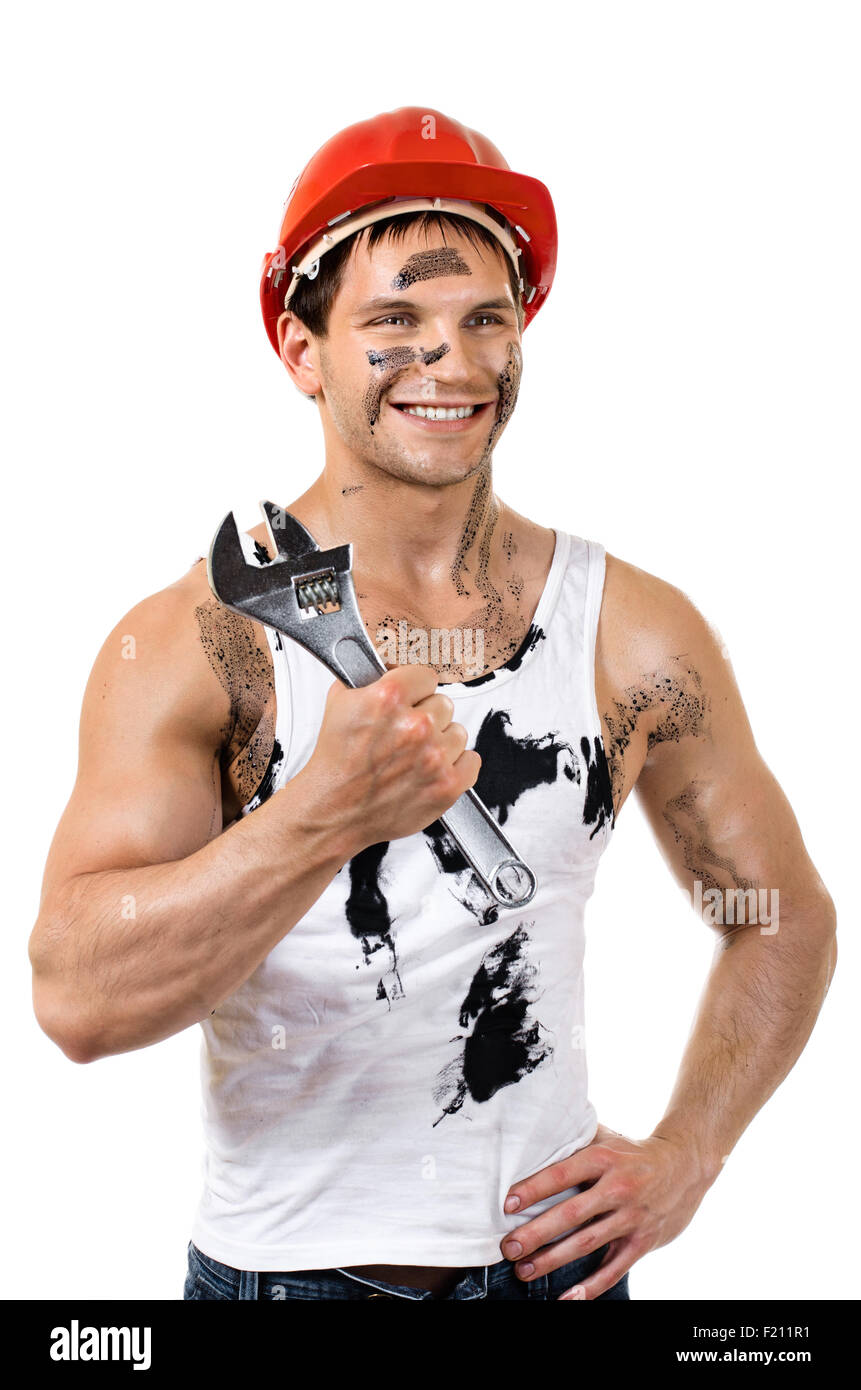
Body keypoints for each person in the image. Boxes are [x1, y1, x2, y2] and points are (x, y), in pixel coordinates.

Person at [28, 107, 837, 1302]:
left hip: (556, 1272)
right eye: (394, 321)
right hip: (282, 1278)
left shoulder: (634, 631)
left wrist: (688, 1156)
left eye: (484, 320)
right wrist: (325, 813)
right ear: (300, 348)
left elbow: (775, 912)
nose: (449, 363)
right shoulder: (201, 643)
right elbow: (76, 1000)